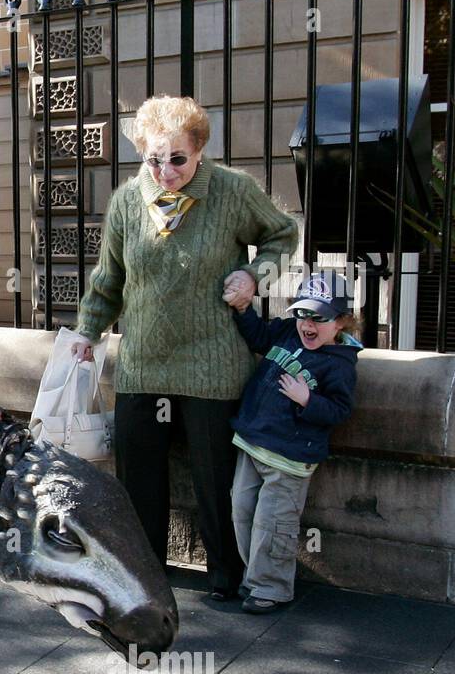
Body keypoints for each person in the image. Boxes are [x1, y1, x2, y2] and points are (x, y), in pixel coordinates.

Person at [71, 95, 300, 602]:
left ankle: (227, 575)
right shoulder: (127, 203)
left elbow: (283, 234)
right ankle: (145, 574)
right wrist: (87, 332)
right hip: (143, 365)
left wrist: (253, 275)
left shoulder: (233, 192)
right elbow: (109, 280)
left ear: (199, 152)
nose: (165, 170)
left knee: (216, 482)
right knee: (139, 482)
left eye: (177, 158)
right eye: (154, 158)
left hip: (212, 366)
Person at [226, 272, 361, 613]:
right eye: (303, 314)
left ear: (342, 323)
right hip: (253, 443)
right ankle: (255, 578)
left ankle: (270, 587)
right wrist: (244, 309)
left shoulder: (340, 365)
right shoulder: (287, 332)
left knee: (274, 525)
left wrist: (307, 399)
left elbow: (340, 410)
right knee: (242, 514)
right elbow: (258, 337)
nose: (308, 325)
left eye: (319, 318)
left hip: (289, 458)